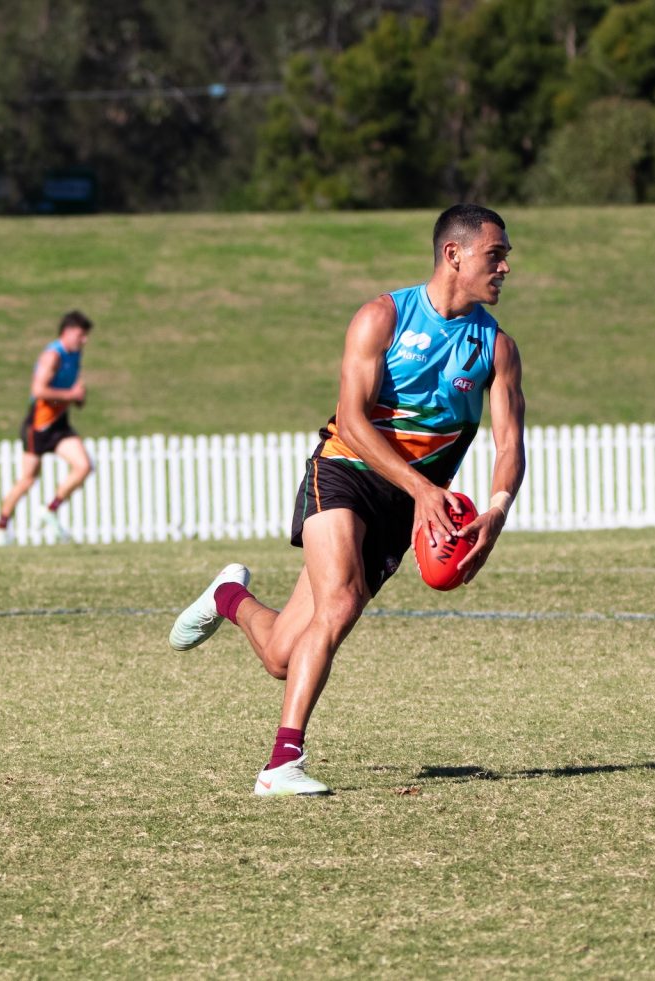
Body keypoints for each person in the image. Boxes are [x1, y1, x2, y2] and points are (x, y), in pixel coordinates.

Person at [167, 204, 527, 797]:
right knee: (340, 602)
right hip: (345, 470)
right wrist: (422, 489)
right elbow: (355, 424)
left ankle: (227, 596)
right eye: (497, 254)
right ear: (453, 255)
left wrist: (496, 511)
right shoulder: (381, 318)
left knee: (285, 654)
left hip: (405, 503)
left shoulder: (497, 348)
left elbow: (510, 444)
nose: (507, 266)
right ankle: (281, 763)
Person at [0, 311, 95, 545]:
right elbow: (38, 390)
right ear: (66, 333)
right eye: (80, 335)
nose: (84, 340)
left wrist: (77, 398)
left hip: (60, 422)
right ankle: (0, 526)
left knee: (84, 465)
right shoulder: (52, 356)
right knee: (27, 479)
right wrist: (70, 394)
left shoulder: (76, 355)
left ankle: (50, 509)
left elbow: (67, 389)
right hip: (39, 424)